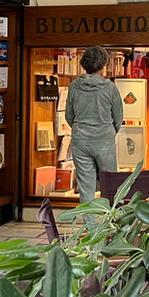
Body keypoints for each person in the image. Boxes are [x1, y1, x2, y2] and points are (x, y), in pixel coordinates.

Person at [65, 46, 123, 214]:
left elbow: (69, 115)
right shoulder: (110, 88)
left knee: (86, 187)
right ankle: (110, 225)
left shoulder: (74, 86)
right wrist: (109, 132)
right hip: (104, 139)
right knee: (110, 185)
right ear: (103, 65)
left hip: (80, 140)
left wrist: (81, 128)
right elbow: (118, 117)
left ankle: (90, 228)